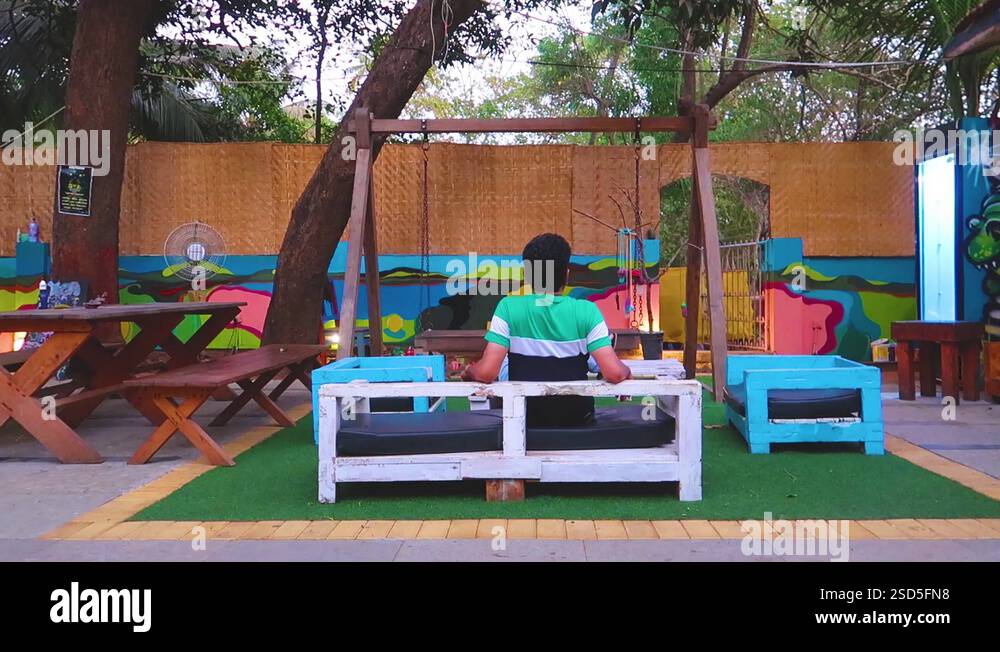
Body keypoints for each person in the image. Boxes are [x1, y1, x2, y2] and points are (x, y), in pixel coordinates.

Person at [462, 233, 631, 427]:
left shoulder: (507, 307)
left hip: (524, 420)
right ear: (566, 274)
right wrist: (626, 370)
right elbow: (615, 373)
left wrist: (470, 371)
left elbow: (486, 373)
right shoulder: (588, 311)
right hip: (577, 420)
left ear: (528, 274)